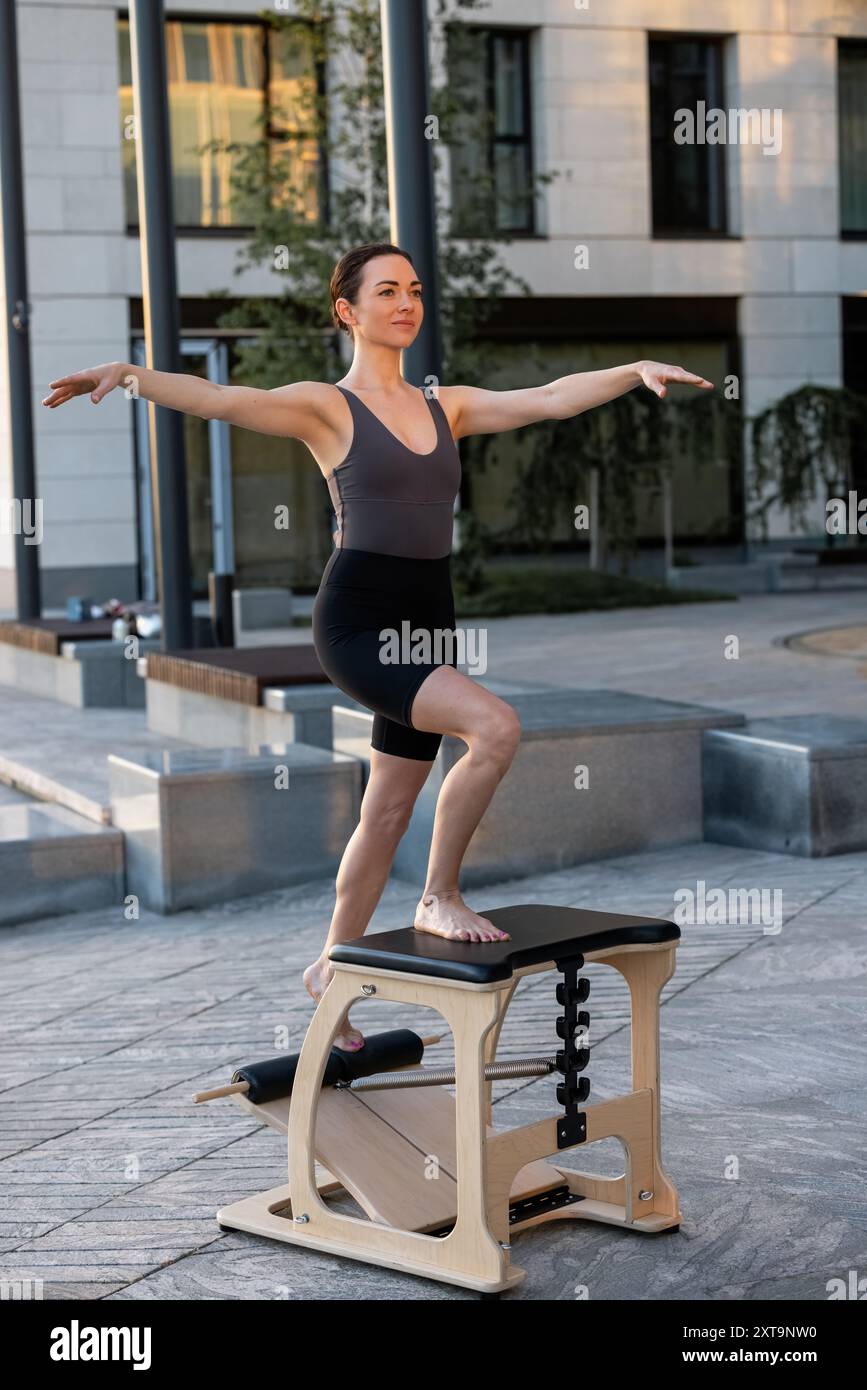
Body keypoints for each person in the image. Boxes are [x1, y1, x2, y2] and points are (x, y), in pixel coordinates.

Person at [42, 241, 713, 1049]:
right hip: (359, 616)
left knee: (388, 807)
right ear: (347, 312)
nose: (405, 303)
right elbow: (222, 397)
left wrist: (631, 368)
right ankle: (438, 894)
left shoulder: (446, 406)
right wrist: (131, 373)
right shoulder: (325, 407)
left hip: (429, 612)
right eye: (386, 291)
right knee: (495, 728)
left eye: (414, 290)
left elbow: (547, 396)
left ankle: (330, 968)